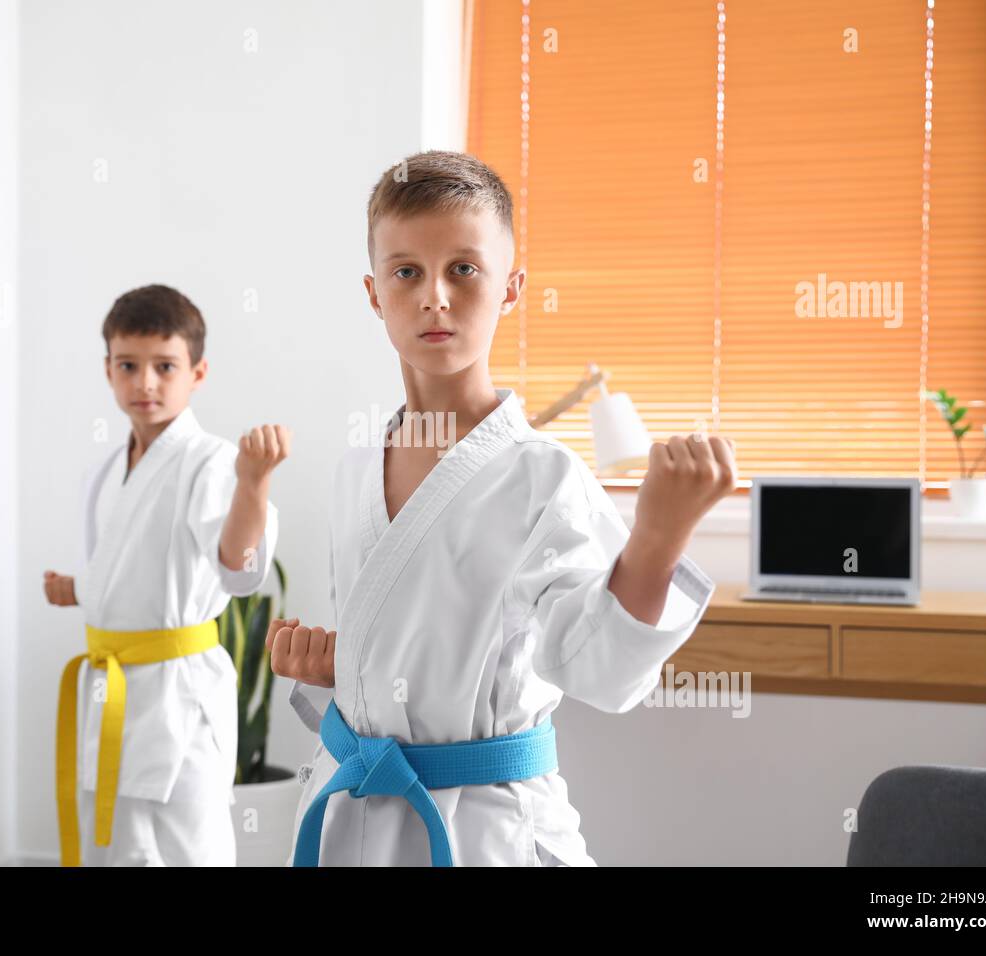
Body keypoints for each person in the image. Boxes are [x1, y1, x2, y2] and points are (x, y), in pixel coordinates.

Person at [267, 151, 736, 866]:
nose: (435, 297)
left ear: (512, 288)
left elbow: (601, 674)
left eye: (464, 269)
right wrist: (339, 665)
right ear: (373, 293)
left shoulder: (543, 478)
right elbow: (408, 643)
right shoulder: (356, 468)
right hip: (352, 817)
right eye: (407, 272)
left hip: (482, 829)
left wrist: (659, 536)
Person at [45, 283, 287, 866]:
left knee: (189, 847)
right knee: (117, 844)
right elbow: (134, 569)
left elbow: (234, 566)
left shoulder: (209, 462)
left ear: (197, 373)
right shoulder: (106, 468)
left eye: (164, 366)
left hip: (178, 692)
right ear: (108, 369)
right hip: (112, 686)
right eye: (128, 365)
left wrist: (252, 484)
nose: (145, 382)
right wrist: (79, 589)